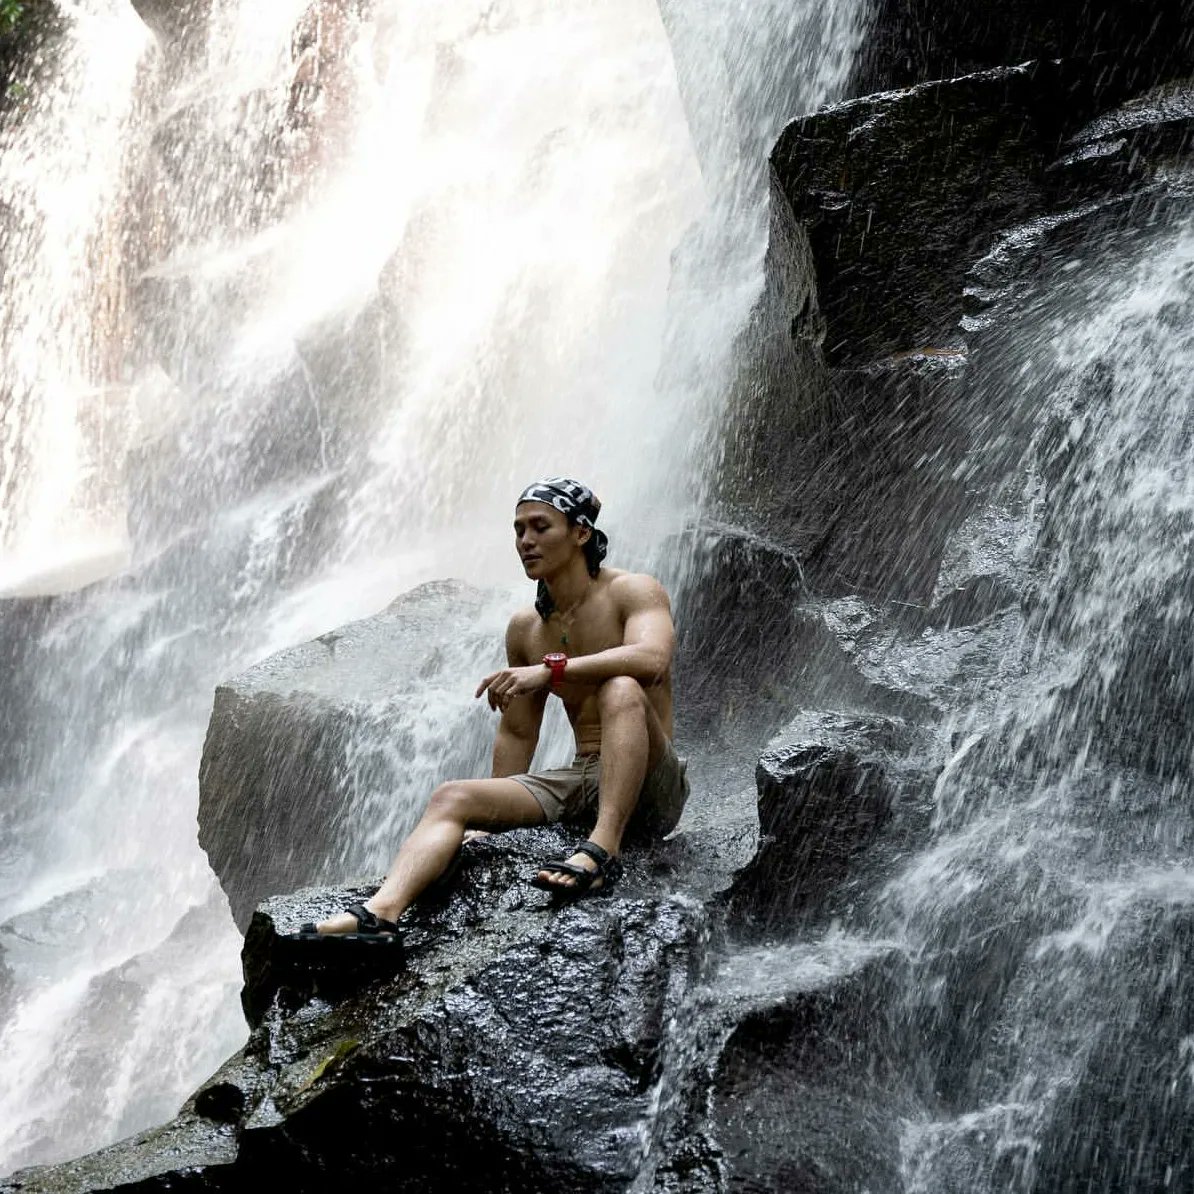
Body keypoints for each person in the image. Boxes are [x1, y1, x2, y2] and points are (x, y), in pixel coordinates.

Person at [295, 477, 688, 945]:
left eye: (541, 527)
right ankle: (381, 913)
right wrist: (489, 825)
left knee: (620, 688)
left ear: (581, 533)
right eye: (519, 530)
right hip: (582, 778)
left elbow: (651, 660)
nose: (526, 541)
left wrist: (551, 671)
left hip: (651, 783)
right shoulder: (526, 628)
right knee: (451, 798)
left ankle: (602, 852)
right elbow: (519, 733)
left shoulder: (634, 591)